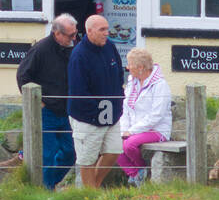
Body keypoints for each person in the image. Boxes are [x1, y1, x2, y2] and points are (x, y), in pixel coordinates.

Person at [11, 14, 78, 188]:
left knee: (70, 153)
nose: (74, 38)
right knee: (47, 154)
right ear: (57, 34)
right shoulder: (40, 49)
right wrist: (37, 102)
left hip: (66, 110)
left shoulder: (72, 47)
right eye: (70, 35)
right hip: (46, 110)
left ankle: (48, 184)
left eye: (75, 34)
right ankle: (44, 190)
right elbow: (23, 75)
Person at [67, 13, 125, 188]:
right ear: (89, 31)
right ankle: (89, 196)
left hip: (111, 114)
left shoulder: (111, 47)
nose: (107, 33)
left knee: (114, 151)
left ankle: (94, 187)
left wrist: (118, 105)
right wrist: (96, 113)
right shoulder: (79, 55)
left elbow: (119, 75)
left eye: (107, 29)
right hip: (87, 117)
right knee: (88, 159)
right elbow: (79, 91)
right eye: (102, 30)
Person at [116, 48, 172, 185]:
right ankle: (136, 174)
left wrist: (132, 131)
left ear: (140, 67)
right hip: (135, 129)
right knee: (113, 144)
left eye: (130, 64)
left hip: (157, 129)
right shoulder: (132, 83)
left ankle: (141, 169)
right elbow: (126, 109)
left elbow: (156, 115)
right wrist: (124, 130)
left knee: (129, 144)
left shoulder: (160, 85)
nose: (127, 67)